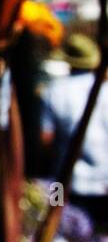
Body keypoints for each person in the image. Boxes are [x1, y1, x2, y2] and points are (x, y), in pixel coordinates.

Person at [41, 33, 108, 227]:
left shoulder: (54, 90)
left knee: (57, 233)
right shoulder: (104, 89)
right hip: (104, 183)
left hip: (65, 183)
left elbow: (46, 139)